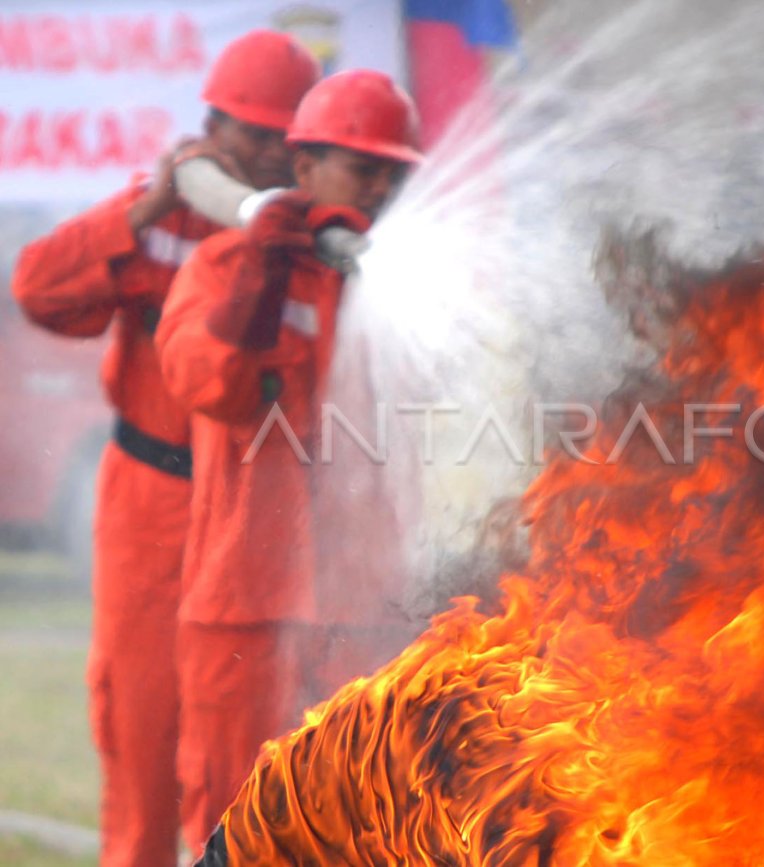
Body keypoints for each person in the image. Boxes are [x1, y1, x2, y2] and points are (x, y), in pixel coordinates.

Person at [9, 30, 320, 867]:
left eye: (279, 139)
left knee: (244, 746)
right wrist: (140, 210)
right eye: (248, 133)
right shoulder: (154, 215)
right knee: (139, 729)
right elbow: (39, 290)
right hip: (149, 497)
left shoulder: (308, 241)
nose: (262, 153)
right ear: (210, 128)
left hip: (255, 517)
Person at [155, 68, 423, 856]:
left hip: (366, 612)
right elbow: (212, 387)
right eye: (361, 167)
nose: (379, 187)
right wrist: (263, 277)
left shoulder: (404, 282)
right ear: (302, 169)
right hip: (246, 607)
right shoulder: (220, 270)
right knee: (230, 822)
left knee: (362, 826)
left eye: (393, 173)